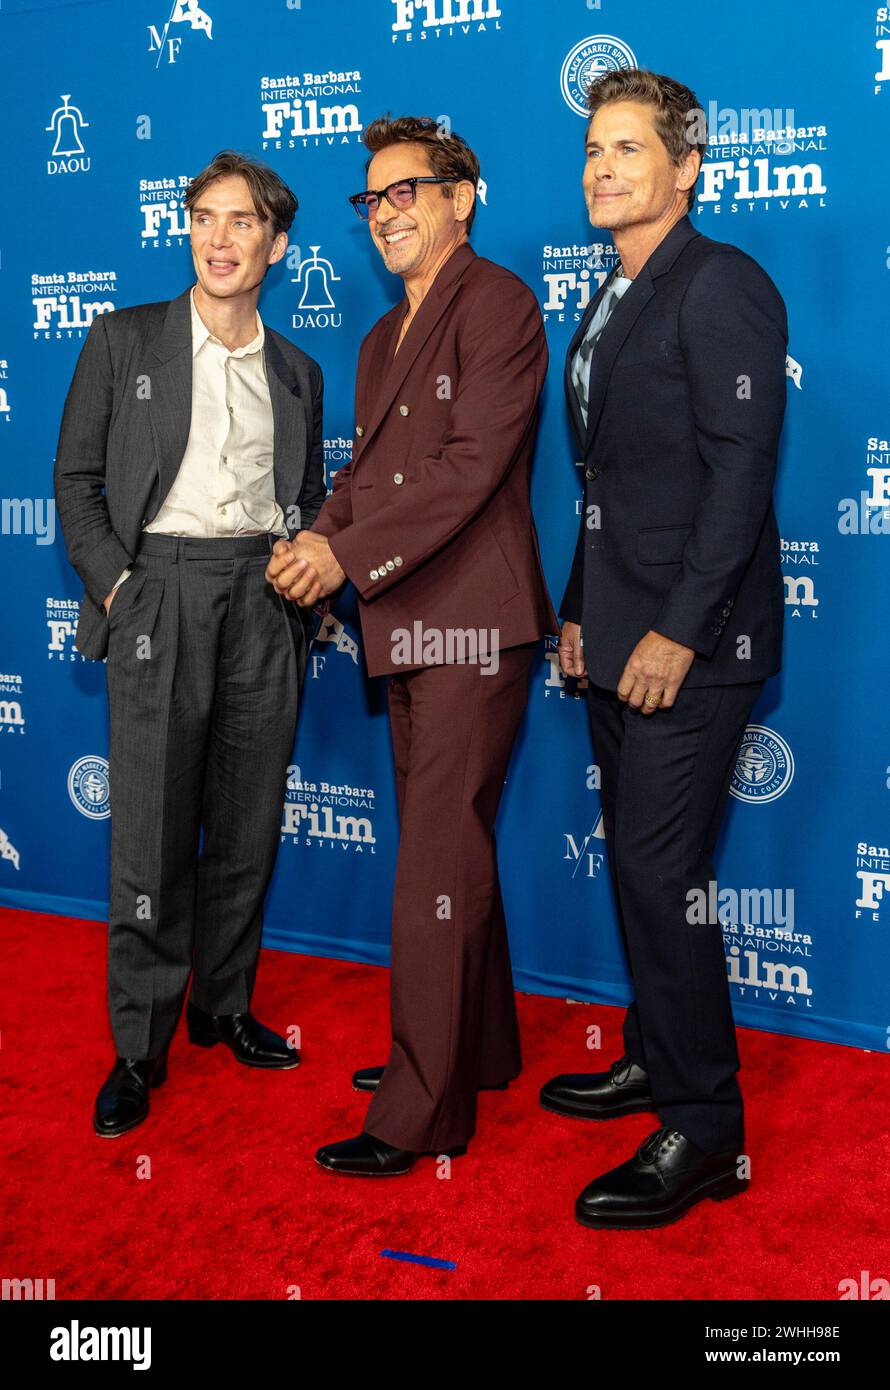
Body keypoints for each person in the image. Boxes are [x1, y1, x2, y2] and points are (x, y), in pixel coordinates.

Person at [267, 116, 558, 1176]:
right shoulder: (381, 337)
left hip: (474, 626)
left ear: (461, 196)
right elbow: (366, 475)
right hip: (405, 627)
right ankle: (471, 1048)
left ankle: (421, 1109)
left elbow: (469, 468)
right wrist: (317, 538)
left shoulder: (501, 304)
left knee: (435, 857)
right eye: (372, 198)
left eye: (408, 191)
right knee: (451, 852)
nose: (386, 211)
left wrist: (343, 559)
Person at [541, 70, 788, 1228]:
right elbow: (605, 485)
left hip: (692, 644)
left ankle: (703, 1126)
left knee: (656, 871)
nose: (600, 167)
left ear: (685, 167)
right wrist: (583, 607)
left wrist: (674, 634)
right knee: (647, 868)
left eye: (627, 149)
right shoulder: (612, 292)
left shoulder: (719, 282)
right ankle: (653, 1051)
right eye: (593, 148)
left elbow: (739, 477)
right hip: (619, 629)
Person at [54, 150, 325, 1138]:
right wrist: (122, 588)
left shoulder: (298, 373)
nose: (218, 237)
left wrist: (310, 565)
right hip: (157, 592)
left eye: (241, 221)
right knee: (153, 832)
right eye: (203, 218)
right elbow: (75, 479)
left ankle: (224, 1004)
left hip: (261, 599)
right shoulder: (124, 340)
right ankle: (138, 1045)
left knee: (247, 821)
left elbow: (307, 500)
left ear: (275, 243)